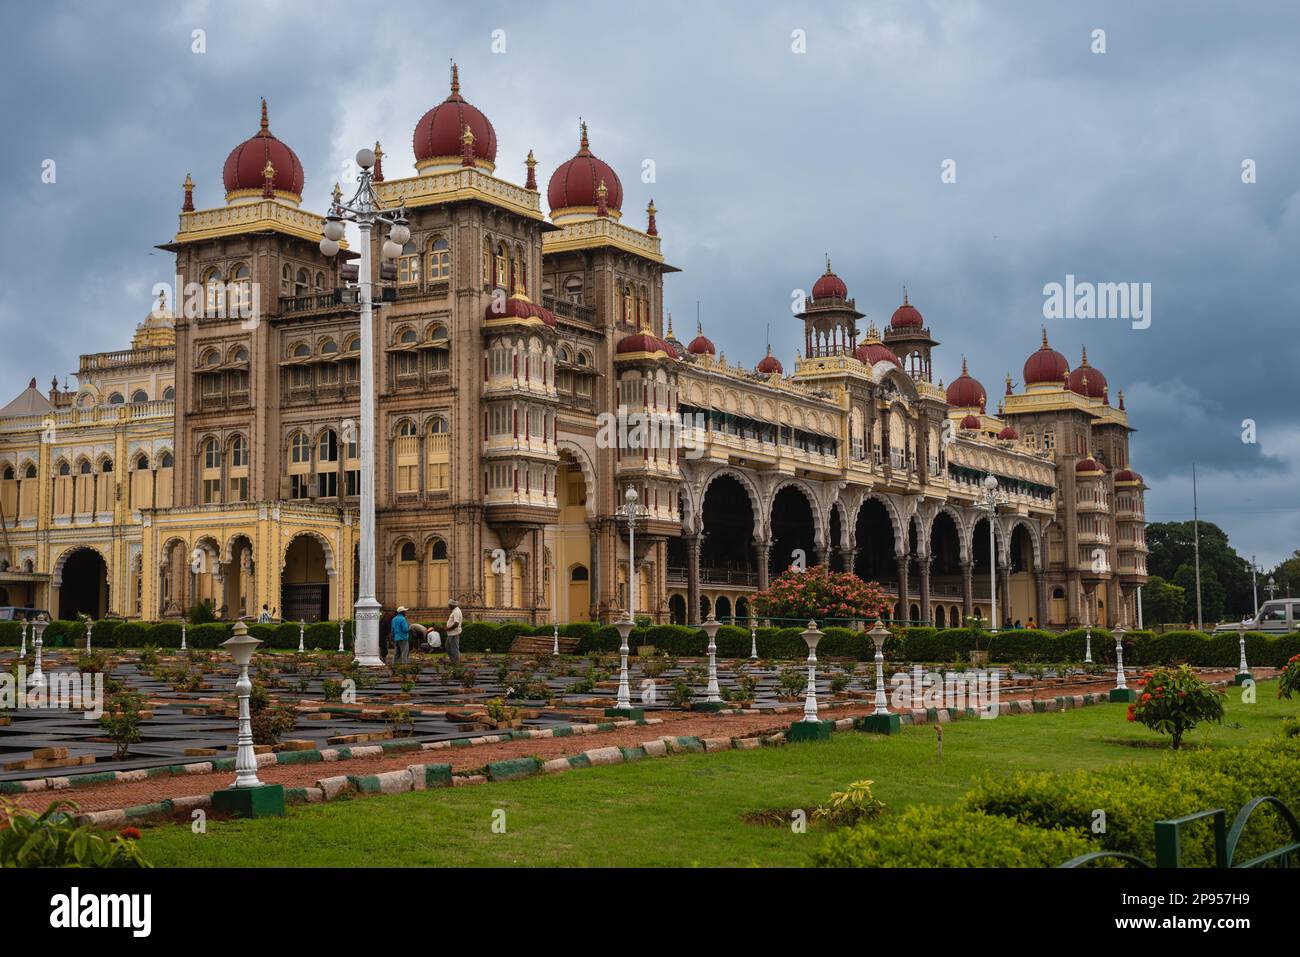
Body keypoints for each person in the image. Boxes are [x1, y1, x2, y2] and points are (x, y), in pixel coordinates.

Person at [445, 599, 462, 665]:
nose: (448, 606)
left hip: (454, 633)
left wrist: (448, 629)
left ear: (452, 605)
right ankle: (453, 661)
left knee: (454, 648)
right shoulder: (454, 611)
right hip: (451, 633)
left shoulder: (456, 612)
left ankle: (456, 663)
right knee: (448, 646)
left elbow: (456, 624)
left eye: (449, 605)